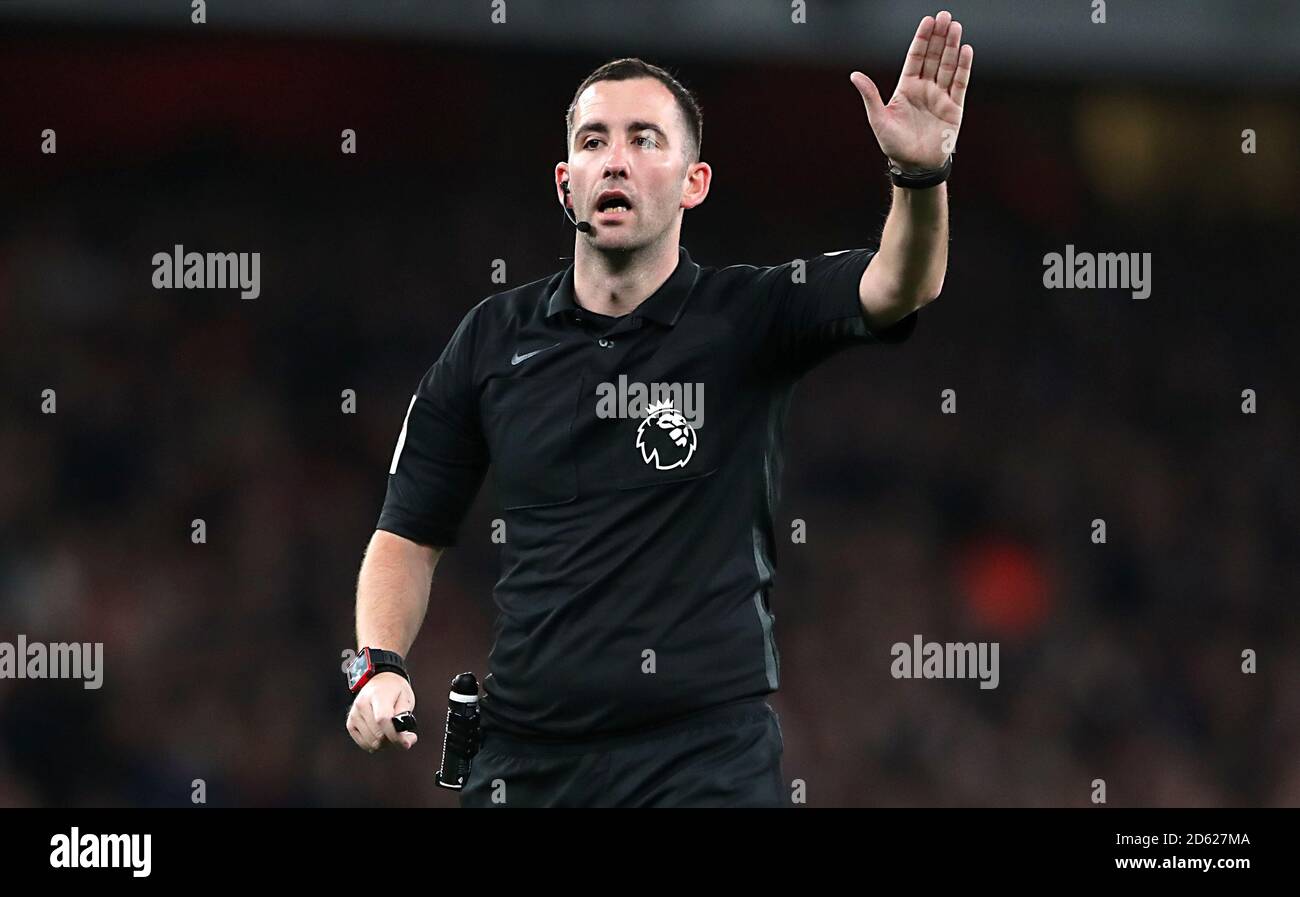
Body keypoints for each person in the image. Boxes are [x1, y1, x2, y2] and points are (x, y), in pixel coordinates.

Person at [347, 11, 973, 807]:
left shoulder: (748, 315)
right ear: (565, 180)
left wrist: (919, 177)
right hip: (528, 758)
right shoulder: (490, 341)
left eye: (646, 139)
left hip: (702, 759)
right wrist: (379, 665)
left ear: (693, 181)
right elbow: (407, 531)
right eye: (595, 140)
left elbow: (901, 282)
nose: (617, 159)